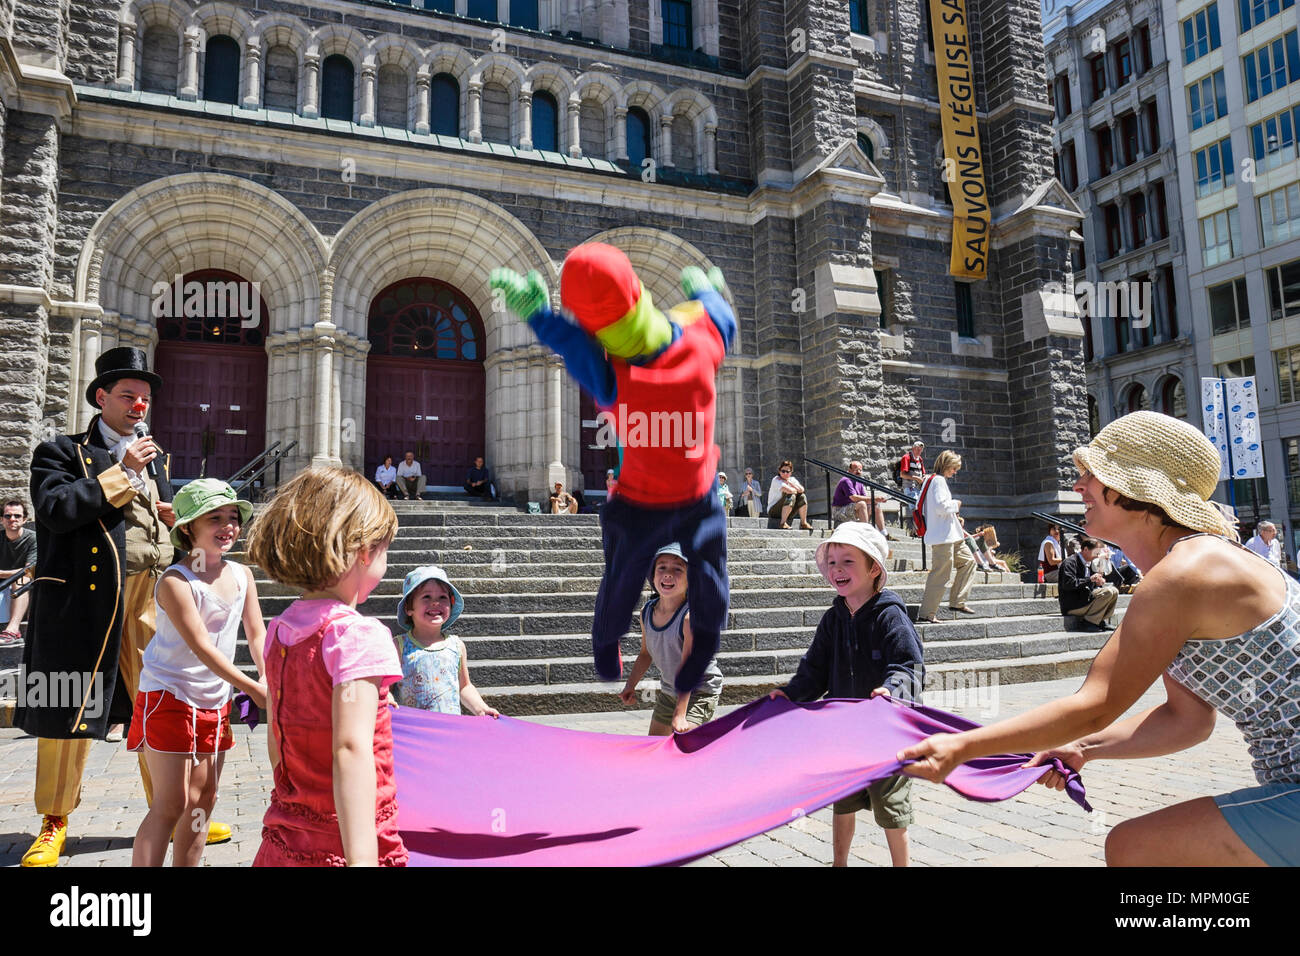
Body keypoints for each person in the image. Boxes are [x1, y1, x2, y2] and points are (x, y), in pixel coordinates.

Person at [901, 410, 1300, 866]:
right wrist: (1081, 748)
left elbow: (1096, 704)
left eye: (1092, 475)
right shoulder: (1192, 565)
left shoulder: (1185, 573)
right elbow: (1188, 718)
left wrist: (960, 748)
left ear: (1134, 488)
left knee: (1136, 848)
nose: (1079, 486)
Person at [17, 346, 230, 867]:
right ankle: (54, 821)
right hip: (87, 601)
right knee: (70, 705)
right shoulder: (61, 451)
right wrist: (118, 471)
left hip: (152, 596)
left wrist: (173, 519)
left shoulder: (155, 458)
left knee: (160, 704)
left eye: (145, 398)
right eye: (129, 396)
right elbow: (55, 511)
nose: (139, 406)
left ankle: (172, 811)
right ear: (100, 398)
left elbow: (165, 531)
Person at [491, 243, 735, 693]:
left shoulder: (612, 376)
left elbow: (570, 345)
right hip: (698, 497)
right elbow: (725, 320)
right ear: (639, 296)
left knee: (621, 580)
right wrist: (707, 291)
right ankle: (701, 651)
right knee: (711, 575)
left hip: (638, 501)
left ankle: (606, 647)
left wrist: (538, 313)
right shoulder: (703, 344)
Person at [246, 466, 407, 866]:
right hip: (344, 838)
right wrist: (363, 859)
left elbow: (278, 732)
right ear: (366, 550)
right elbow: (350, 750)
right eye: (385, 550)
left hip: (290, 827)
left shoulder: (281, 628)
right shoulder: (358, 635)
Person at [129, 480, 268, 867]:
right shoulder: (175, 580)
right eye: (215, 518)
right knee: (171, 803)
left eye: (232, 518)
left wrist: (267, 673)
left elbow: (256, 633)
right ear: (188, 527)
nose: (228, 526)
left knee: (203, 801)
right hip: (169, 696)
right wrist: (252, 688)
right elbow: (201, 646)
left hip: (214, 701)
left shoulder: (242, 574)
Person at [771, 523, 923, 867]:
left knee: (891, 805)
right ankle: (839, 862)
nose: (837, 570)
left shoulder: (891, 615)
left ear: (874, 569)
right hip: (844, 732)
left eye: (848, 562)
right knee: (843, 800)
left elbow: (909, 665)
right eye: (833, 562)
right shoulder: (833, 619)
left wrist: (893, 691)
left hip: (888, 732)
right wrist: (792, 694)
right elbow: (815, 670)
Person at [619, 544, 724, 734]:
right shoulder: (646, 612)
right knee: (655, 744)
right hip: (670, 690)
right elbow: (645, 654)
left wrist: (680, 714)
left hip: (700, 691)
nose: (668, 574)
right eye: (662, 567)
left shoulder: (690, 618)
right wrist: (630, 685)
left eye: (678, 569)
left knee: (684, 743)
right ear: (652, 575)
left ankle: (708, 728)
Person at [392, 565, 498, 717]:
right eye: (426, 597)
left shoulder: (456, 646)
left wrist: (481, 708)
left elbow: (464, 687)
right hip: (416, 729)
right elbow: (385, 689)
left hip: (449, 729)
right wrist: (388, 700)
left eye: (442, 597)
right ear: (409, 607)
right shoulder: (399, 646)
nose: (435, 603)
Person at [916, 450, 976, 623]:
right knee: (941, 574)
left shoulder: (930, 479)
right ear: (947, 465)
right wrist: (956, 504)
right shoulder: (939, 481)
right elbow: (942, 508)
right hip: (943, 537)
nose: (955, 472)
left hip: (950, 535)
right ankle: (927, 613)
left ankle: (958, 601)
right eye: (954, 468)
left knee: (968, 562)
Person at [1059, 536, 1119, 632]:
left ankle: (1100, 620)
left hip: (1085, 599)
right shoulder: (1070, 562)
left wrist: (1097, 583)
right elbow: (1068, 584)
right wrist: (1090, 579)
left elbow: (1089, 585)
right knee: (1107, 592)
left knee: (1114, 591)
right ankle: (1089, 622)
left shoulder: (1090, 563)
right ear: (1086, 549)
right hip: (1073, 604)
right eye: (1096, 553)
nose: (1098, 556)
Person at [0, 498, 36, 645]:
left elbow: (30, 570)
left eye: (17, 516)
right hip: (3, 585)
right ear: (1, 519)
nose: (12, 519)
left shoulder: (33, 538)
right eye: (7, 516)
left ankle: (13, 630)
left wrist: (1, 573)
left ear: (25, 519)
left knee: (21, 578)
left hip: (25, 586)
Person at [832, 460, 895, 540]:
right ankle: (866, 533)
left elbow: (866, 499)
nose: (858, 472)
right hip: (839, 511)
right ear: (849, 470)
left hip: (853, 509)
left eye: (860, 470)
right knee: (862, 504)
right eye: (856, 469)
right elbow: (854, 498)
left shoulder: (859, 481)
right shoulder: (846, 480)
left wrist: (877, 500)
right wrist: (874, 498)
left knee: (875, 505)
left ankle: (884, 534)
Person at [768, 460, 812, 530]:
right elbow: (790, 491)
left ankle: (804, 523)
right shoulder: (776, 480)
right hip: (774, 511)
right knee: (791, 495)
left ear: (791, 472)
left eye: (787, 471)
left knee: (802, 496)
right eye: (783, 471)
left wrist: (789, 482)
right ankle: (782, 523)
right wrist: (794, 490)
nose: (785, 473)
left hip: (788, 511)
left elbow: (802, 490)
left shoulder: (792, 479)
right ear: (779, 471)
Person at [898, 441, 926, 530]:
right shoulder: (906, 458)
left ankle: (918, 529)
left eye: (920, 450)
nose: (919, 451)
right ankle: (918, 529)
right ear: (913, 448)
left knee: (920, 507)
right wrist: (916, 478)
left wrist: (924, 478)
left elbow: (923, 473)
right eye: (917, 449)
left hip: (918, 488)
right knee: (916, 507)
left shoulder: (920, 459)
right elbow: (902, 474)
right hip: (910, 487)